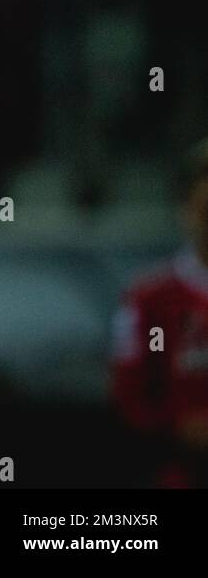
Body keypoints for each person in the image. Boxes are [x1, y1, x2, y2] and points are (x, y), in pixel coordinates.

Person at [110, 137, 208, 487]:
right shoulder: (148, 299)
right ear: (186, 208)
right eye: (204, 209)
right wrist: (177, 426)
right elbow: (130, 396)